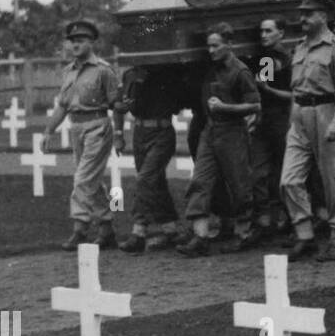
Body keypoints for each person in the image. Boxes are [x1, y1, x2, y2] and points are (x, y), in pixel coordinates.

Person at [281, 0, 335, 262]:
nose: (302, 18)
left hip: (327, 113)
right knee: (289, 179)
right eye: (301, 13)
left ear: (323, 16)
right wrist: (293, 118)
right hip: (301, 115)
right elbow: (295, 88)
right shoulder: (299, 47)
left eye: (308, 13)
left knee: (333, 179)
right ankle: (305, 235)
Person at [177, 23, 261, 256]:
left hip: (232, 132)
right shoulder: (208, 69)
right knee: (200, 181)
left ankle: (244, 233)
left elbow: (255, 104)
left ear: (229, 44)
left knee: (239, 184)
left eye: (216, 45)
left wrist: (226, 107)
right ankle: (200, 237)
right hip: (210, 131)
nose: (211, 50)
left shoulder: (240, 71)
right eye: (209, 46)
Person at [43, 20, 121, 250]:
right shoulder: (69, 72)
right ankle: (106, 229)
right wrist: (49, 130)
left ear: (92, 42)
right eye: (72, 41)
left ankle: (80, 229)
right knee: (91, 180)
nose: (75, 45)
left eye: (80, 41)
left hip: (97, 126)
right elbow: (63, 105)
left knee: (83, 179)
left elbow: (116, 104)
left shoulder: (103, 70)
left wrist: (118, 133)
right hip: (76, 128)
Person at [113, 64, 183, 252]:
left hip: (162, 131)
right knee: (156, 181)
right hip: (140, 133)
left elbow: (177, 104)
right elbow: (118, 104)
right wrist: (118, 134)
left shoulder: (167, 71)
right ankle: (171, 230)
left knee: (145, 179)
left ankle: (139, 231)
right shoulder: (129, 74)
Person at [250, 16, 292, 238]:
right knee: (258, 171)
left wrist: (268, 90)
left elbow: (293, 95)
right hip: (263, 118)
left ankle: (289, 218)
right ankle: (265, 219)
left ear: (281, 33)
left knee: (284, 170)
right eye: (262, 31)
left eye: (269, 31)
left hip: (282, 118)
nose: (264, 35)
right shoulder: (262, 58)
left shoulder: (287, 59)